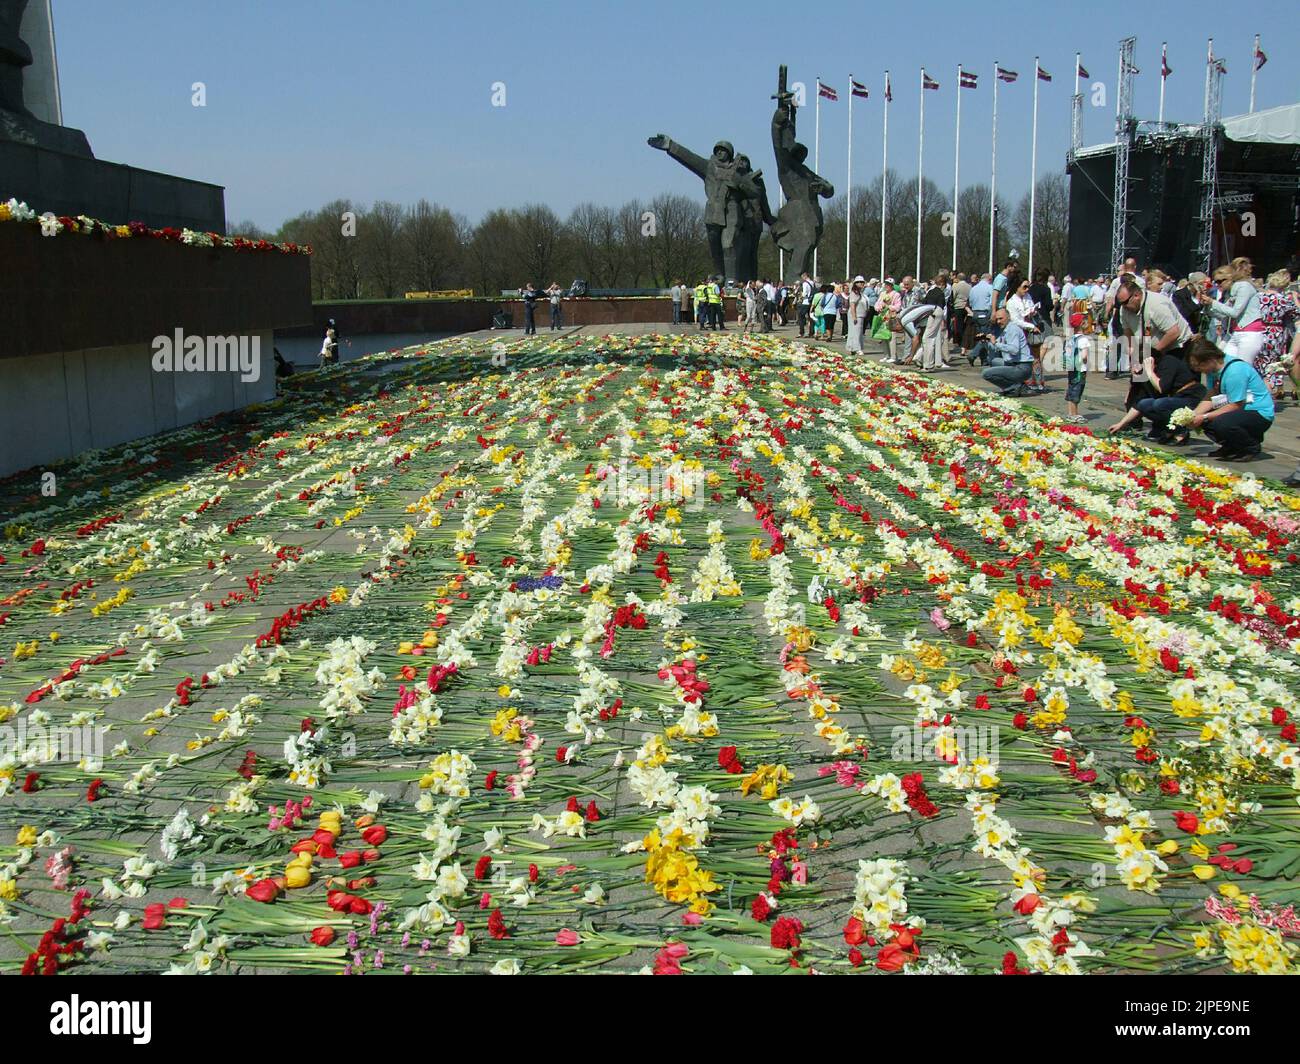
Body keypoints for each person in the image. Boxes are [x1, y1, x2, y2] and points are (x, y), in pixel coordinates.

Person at [1185, 335, 1275, 461]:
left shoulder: (1235, 371)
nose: (1198, 370)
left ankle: (1250, 446)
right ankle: (1231, 445)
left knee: (1220, 422)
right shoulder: (1212, 372)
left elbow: (1235, 405)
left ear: (1210, 360)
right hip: (1239, 410)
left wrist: (1204, 417)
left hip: (1257, 412)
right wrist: (1193, 415)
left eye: (1199, 366)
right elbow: (1211, 396)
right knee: (1204, 418)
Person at [1200, 257, 1263, 364]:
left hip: (1249, 333)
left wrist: (1212, 302)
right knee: (1223, 363)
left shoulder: (1244, 287)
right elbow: (1222, 314)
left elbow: (1234, 312)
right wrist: (1207, 306)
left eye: (1220, 281)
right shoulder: (1231, 292)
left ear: (1230, 278)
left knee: (1242, 369)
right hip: (1234, 333)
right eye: (1216, 281)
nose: (1218, 284)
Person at [1257, 270, 1296, 396]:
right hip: (1275, 333)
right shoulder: (1284, 300)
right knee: (1272, 366)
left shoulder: (1258, 297)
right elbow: (1297, 315)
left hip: (1257, 330)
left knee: (1257, 364)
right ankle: (1268, 393)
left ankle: (1256, 392)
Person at [980, 309, 1034, 395]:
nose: (998, 321)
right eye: (997, 319)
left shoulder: (1012, 329)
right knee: (995, 361)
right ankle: (1018, 385)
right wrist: (987, 342)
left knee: (986, 373)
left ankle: (1014, 387)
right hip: (1014, 363)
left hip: (1022, 367)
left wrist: (996, 343)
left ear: (1008, 317)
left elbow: (1014, 350)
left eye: (1001, 318)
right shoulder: (1006, 329)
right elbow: (995, 348)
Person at [1062, 314, 1089, 424]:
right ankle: (1075, 414)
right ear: (1082, 324)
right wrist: (1086, 362)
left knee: (1071, 389)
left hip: (1071, 368)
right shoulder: (1083, 339)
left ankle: (1070, 413)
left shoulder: (1071, 338)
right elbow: (1084, 356)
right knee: (1077, 390)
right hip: (1079, 369)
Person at [796, 272, 815, 336]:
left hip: (805, 302)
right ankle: (811, 332)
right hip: (811, 301)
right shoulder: (812, 283)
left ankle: (801, 332)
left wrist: (800, 298)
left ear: (805, 276)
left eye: (802, 277)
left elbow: (804, 294)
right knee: (811, 317)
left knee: (801, 317)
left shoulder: (805, 283)